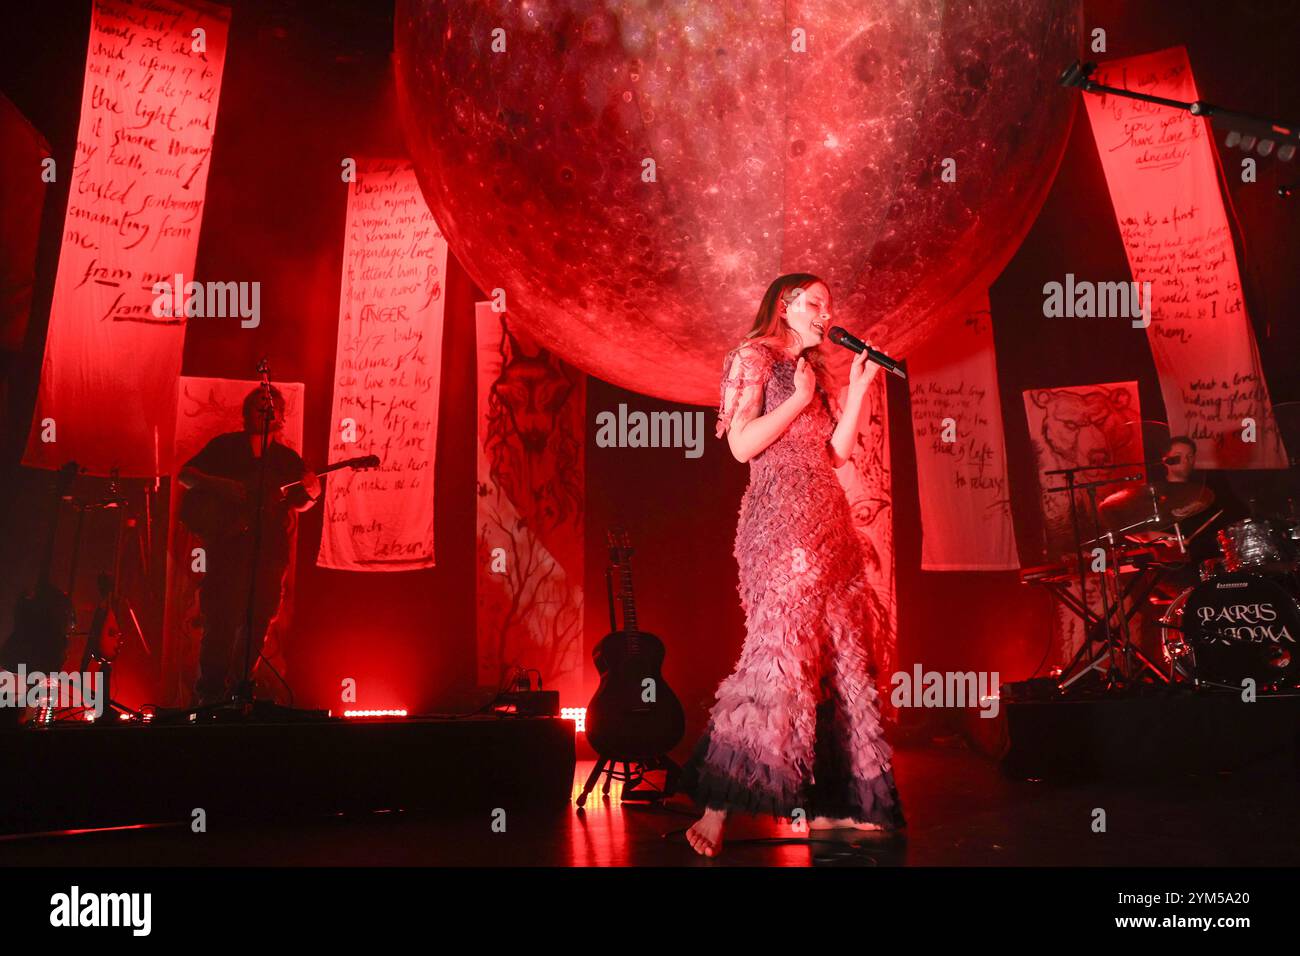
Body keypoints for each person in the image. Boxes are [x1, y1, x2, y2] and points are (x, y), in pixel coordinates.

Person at [681, 273, 904, 857]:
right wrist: (800, 400)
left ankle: (838, 804)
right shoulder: (753, 357)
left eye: (829, 304)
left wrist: (857, 390)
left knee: (840, 658)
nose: (824, 314)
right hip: (780, 528)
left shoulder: (814, 371)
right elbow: (741, 444)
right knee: (779, 657)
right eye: (814, 304)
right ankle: (718, 803)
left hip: (831, 528)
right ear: (784, 306)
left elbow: (835, 453)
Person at [178, 386, 320, 705]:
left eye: (270, 407)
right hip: (226, 549)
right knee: (221, 620)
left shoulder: (286, 460)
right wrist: (221, 485)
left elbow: (299, 503)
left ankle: (241, 690)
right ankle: (210, 695)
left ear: (281, 416)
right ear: (245, 414)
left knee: (259, 620)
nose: (263, 411)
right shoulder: (224, 447)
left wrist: (312, 492)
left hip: (269, 553)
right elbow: (185, 475)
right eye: (257, 406)